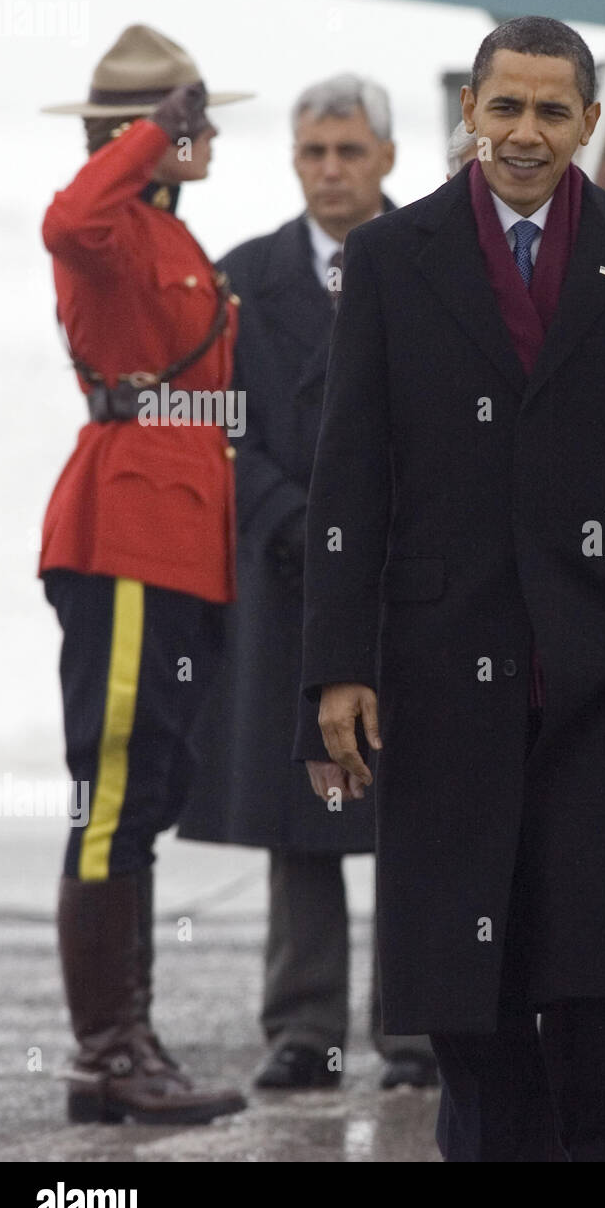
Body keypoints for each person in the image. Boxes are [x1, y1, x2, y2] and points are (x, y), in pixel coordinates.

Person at [296, 15, 605, 1162]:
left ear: (590, 122)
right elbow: (349, 478)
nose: (528, 133)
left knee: (600, 1003)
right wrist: (335, 670)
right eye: (506, 108)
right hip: (442, 680)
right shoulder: (395, 259)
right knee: (469, 1000)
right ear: (469, 114)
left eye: (553, 111)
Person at [177, 75, 437, 1091]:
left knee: (417, 805)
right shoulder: (241, 280)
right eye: (314, 153)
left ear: (386, 158)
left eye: (349, 151)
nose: (331, 171)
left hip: (410, 582)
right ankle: (303, 1028)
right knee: (301, 810)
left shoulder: (431, 269)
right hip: (288, 582)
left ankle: (416, 1026)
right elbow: (212, 431)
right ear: (294, 161)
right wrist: (289, 517)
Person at [38, 24, 251, 1124]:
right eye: (192, 117)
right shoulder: (110, 229)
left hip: (178, 545)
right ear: (147, 134)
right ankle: (104, 1055)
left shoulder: (171, 239)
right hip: (123, 536)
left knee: (146, 795)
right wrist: (148, 132)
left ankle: (131, 1044)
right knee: (112, 791)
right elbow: (66, 214)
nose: (207, 132)